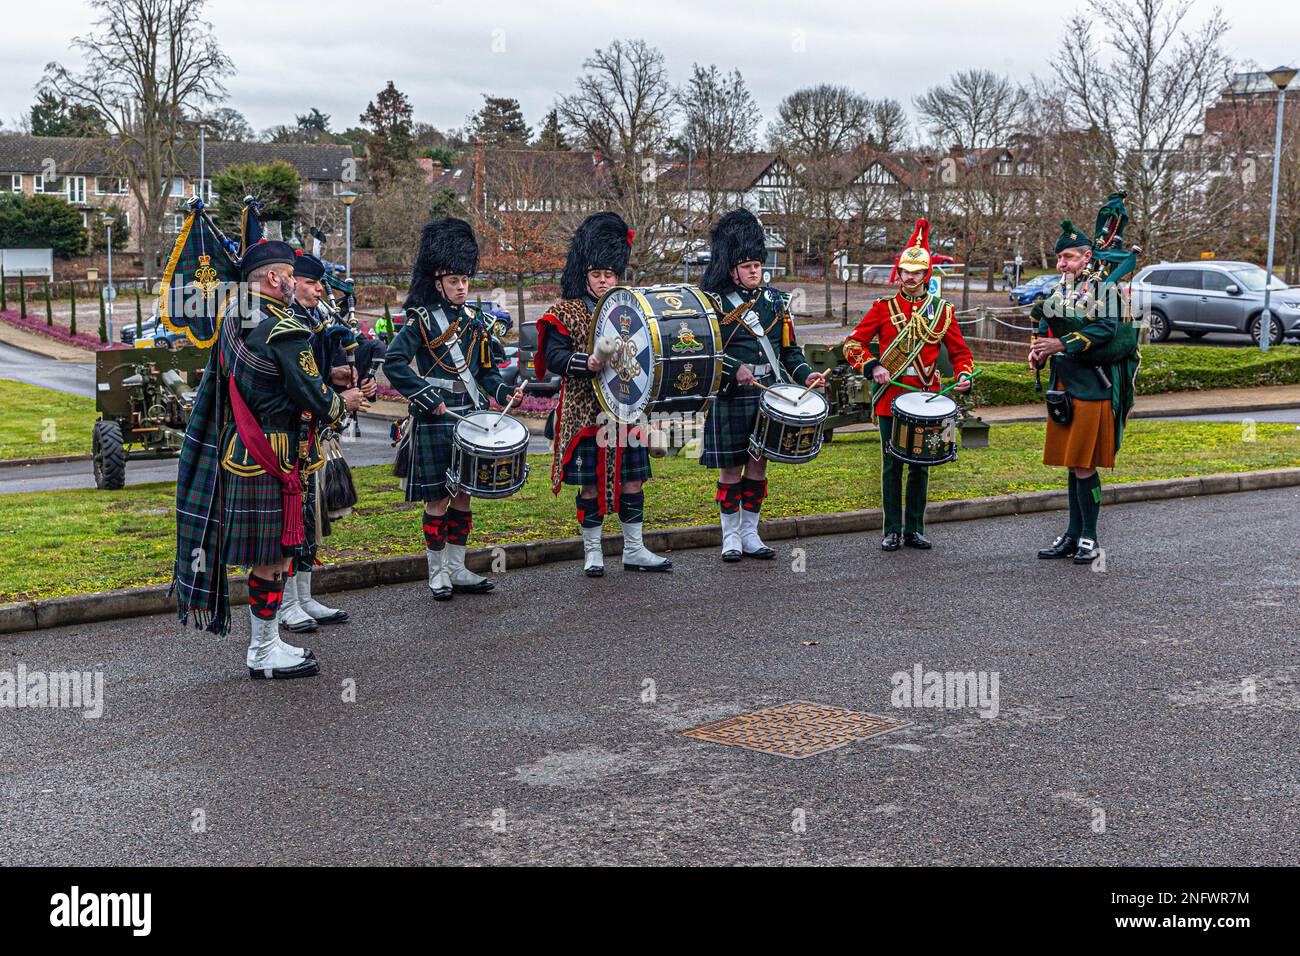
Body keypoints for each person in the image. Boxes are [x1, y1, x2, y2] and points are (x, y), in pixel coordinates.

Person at [172, 239, 367, 679]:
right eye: (290, 274)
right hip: (274, 454)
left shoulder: (235, 317)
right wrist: (343, 402)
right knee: (271, 557)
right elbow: (307, 390)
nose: (294, 282)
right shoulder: (283, 325)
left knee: (273, 555)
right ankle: (262, 651)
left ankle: (269, 643)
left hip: (244, 448)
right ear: (276, 278)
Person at [383, 218, 524, 599]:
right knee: (438, 498)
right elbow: (394, 364)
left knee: (464, 494)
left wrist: (503, 392)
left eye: (465, 281)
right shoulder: (422, 321)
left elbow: (487, 372)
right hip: (436, 415)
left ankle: (458, 568)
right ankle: (436, 573)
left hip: (471, 415)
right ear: (438, 282)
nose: (461, 287)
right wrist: (424, 395)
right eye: (454, 281)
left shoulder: (477, 322)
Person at [534, 211, 672, 577]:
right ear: (584, 275)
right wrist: (588, 362)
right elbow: (553, 358)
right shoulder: (566, 311)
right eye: (596, 275)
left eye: (609, 275)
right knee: (590, 487)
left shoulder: (633, 310)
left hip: (627, 409)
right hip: (584, 412)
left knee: (633, 480)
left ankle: (635, 549)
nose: (602, 281)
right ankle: (593, 553)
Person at [699, 209, 825, 561]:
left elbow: (789, 352)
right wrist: (733, 368)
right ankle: (730, 537)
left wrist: (806, 376)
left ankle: (751, 533)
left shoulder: (775, 303)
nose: (754, 270)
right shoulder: (712, 302)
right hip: (730, 395)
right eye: (747, 265)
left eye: (758, 264)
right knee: (731, 468)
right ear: (730, 267)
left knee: (757, 466)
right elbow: (705, 353)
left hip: (768, 395)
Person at [842, 219, 974, 551]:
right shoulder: (882, 309)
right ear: (898, 274)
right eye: (905, 271)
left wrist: (963, 375)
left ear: (926, 275)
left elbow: (960, 352)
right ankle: (892, 529)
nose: (911, 277)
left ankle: (915, 527)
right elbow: (852, 345)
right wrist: (873, 366)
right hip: (891, 397)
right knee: (892, 463)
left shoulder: (942, 311)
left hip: (928, 399)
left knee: (921, 464)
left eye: (917, 272)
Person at [1028, 218, 1139, 565]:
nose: (1063, 264)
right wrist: (1038, 351)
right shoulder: (1059, 289)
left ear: (1088, 256)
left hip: (1094, 387)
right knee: (1072, 463)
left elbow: (1107, 330)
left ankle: (1089, 536)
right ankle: (1073, 534)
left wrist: (1060, 343)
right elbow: (1045, 325)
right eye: (1060, 258)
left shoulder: (1103, 288)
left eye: (1070, 257)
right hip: (1064, 386)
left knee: (1083, 465)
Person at [276, 251, 376, 633]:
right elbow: (299, 381)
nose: (320, 289)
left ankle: (303, 597)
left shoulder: (316, 318)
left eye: (320, 284)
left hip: (317, 432)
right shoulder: (286, 322)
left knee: (311, 519)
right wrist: (333, 389)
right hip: (292, 435)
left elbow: (321, 372)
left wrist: (351, 379)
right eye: (311, 282)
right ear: (291, 282)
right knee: (293, 520)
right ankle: (286, 604)